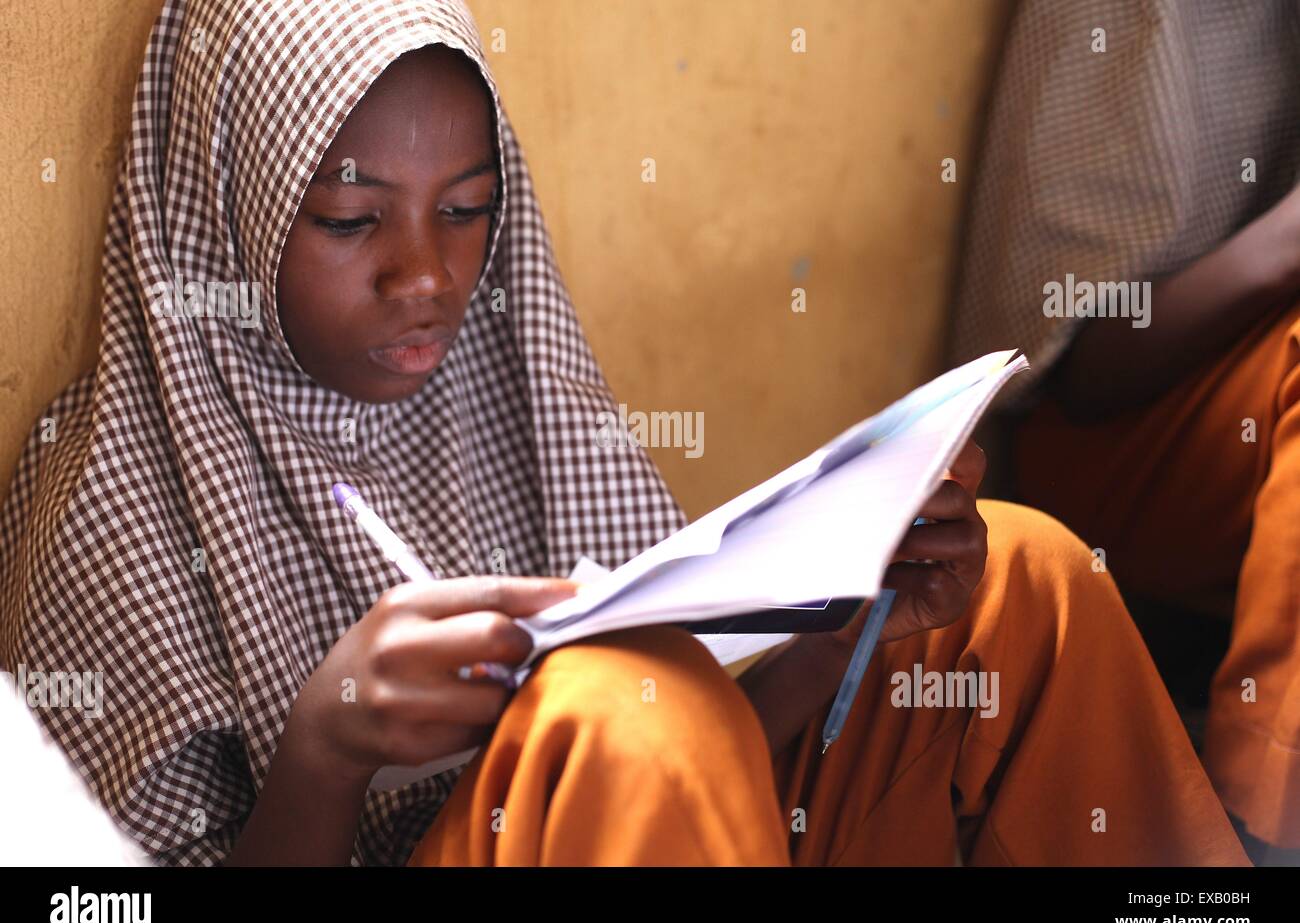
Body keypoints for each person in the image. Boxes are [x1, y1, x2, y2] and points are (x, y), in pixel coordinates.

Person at [0, 0, 1247, 866]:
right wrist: (322, 749)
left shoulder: (506, 385)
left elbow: (665, 773)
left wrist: (831, 633)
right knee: (613, 697)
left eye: (470, 207)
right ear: (216, 203)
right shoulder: (112, 503)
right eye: (348, 219)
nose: (428, 275)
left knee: (1016, 578)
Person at [947, 0, 1300, 859]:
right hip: (1114, 441)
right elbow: (1078, 370)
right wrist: (1289, 240)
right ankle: (1262, 830)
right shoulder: (1139, 18)